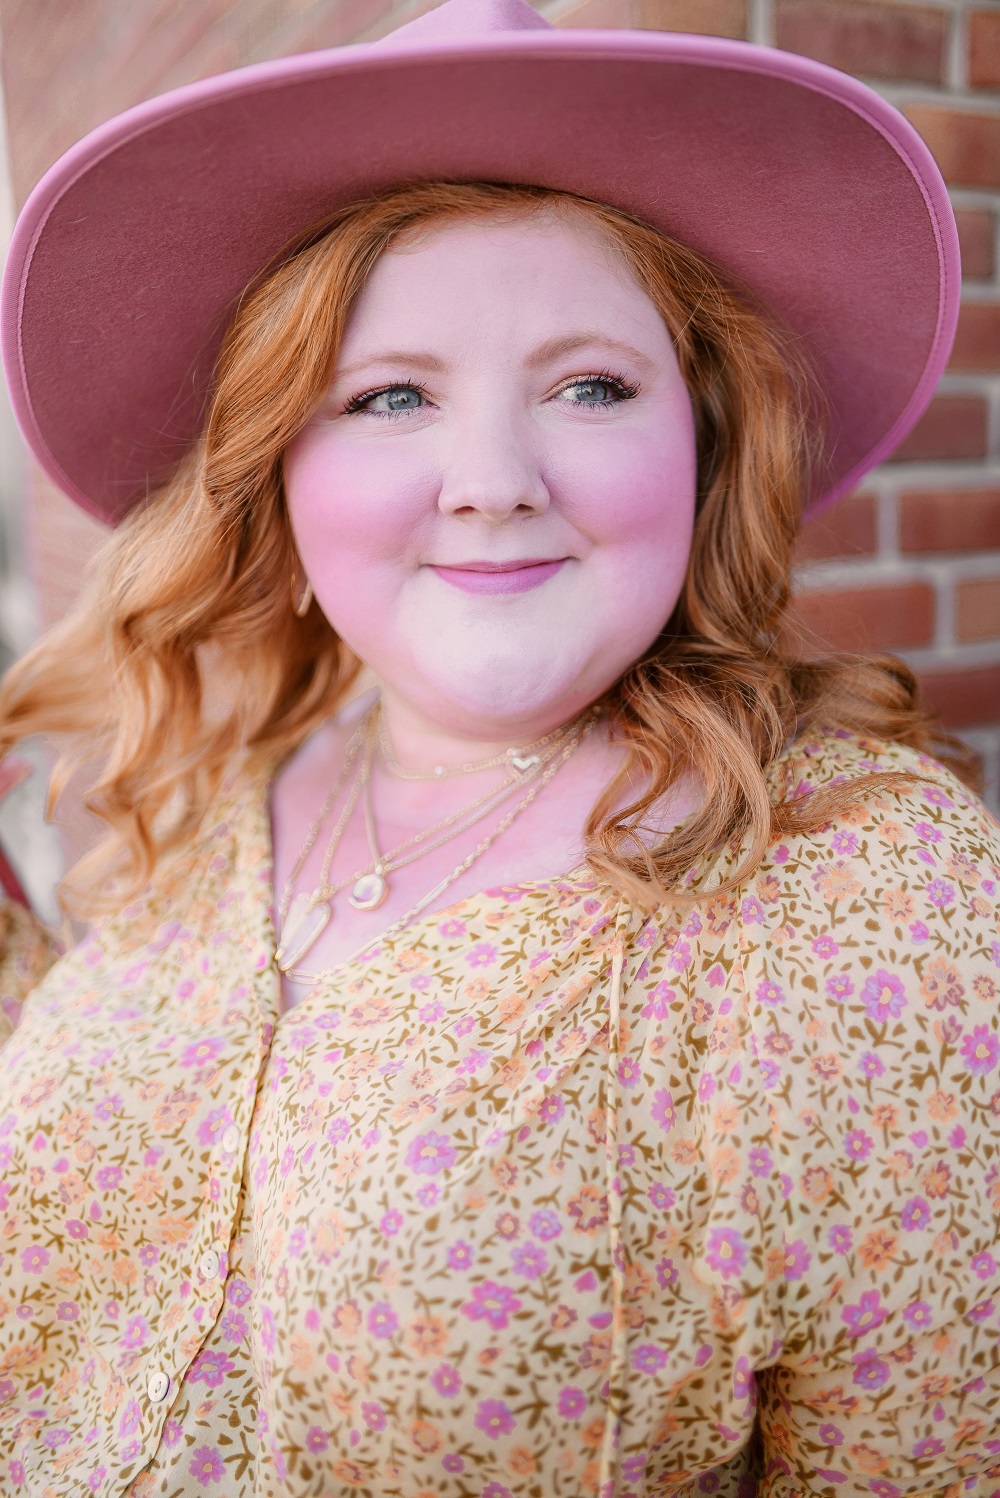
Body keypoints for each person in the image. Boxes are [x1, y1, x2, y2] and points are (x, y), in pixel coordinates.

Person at [0, 0, 997, 1493]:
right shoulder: (234, 787)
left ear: (707, 444)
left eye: (590, 383)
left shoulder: (859, 893)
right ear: (279, 470)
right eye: (389, 394)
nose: (490, 482)